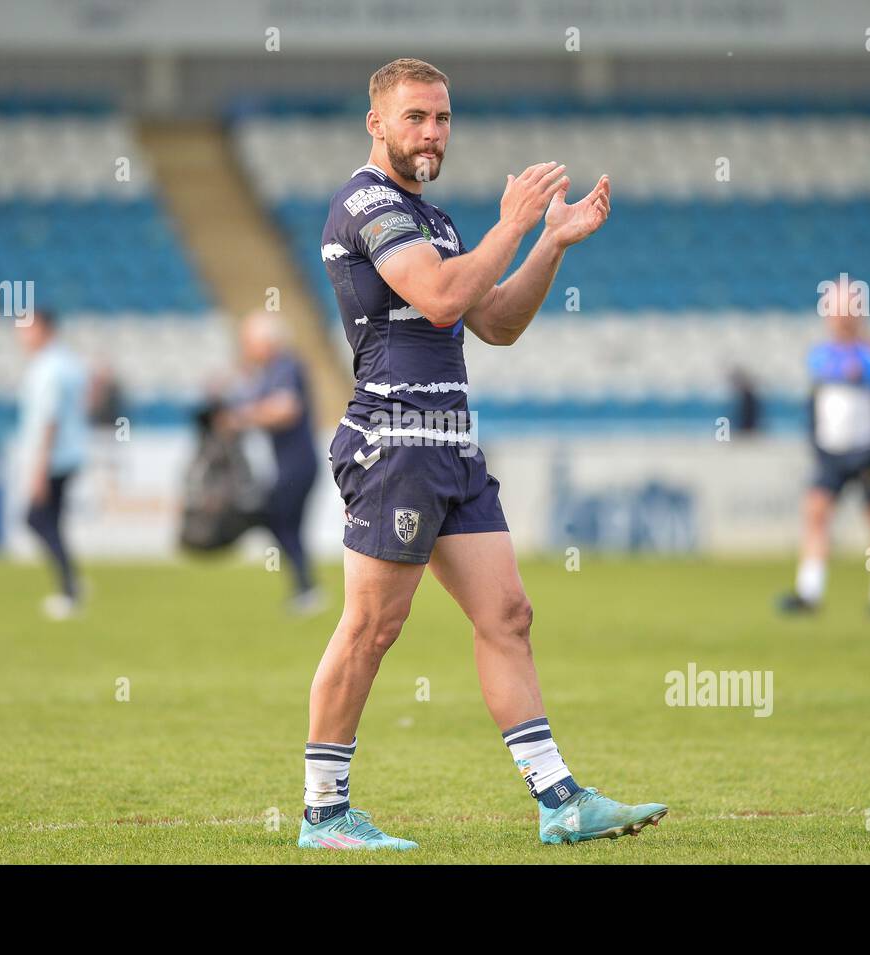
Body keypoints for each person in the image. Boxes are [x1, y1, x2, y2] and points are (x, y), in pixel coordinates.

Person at [298, 57, 667, 851]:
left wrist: (551, 242)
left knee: (508, 614)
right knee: (371, 626)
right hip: (394, 443)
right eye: (415, 118)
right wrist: (512, 223)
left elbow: (491, 321)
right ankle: (324, 814)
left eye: (442, 118)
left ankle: (559, 798)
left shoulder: (434, 221)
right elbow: (436, 298)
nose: (431, 133)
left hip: (452, 445)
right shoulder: (366, 203)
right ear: (377, 124)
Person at [778, 281, 870, 616]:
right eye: (835, 310)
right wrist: (816, 443)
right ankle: (809, 591)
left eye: (846, 310)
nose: (840, 317)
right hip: (831, 454)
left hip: (868, 452)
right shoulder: (820, 356)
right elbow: (815, 405)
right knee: (816, 513)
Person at [218, 311, 322, 613]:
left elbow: (286, 409)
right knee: (285, 525)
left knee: (276, 518)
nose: (246, 347)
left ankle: (306, 588)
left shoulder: (285, 366)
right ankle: (305, 588)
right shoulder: (269, 371)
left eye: (250, 341)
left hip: (297, 464)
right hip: (290, 464)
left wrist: (242, 418)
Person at [16, 308, 89, 620]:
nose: (20, 336)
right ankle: (71, 583)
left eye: (26, 329)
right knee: (51, 522)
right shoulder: (69, 363)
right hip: (70, 453)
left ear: (44, 329)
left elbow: (49, 420)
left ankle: (70, 588)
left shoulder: (47, 369)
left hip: (54, 458)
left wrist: (39, 469)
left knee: (36, 519)